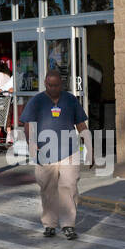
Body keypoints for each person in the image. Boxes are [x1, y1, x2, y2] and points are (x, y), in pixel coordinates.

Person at [19, 71, 88, 239]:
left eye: (56, 85)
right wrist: (32, 145)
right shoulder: (37, 101)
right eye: (50, 85)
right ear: (45, 83)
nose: (53, 88)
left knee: (69, 187)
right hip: (45, 152)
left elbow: (80, 124)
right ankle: (49, 224)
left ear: (61, 85)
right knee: (48, 189)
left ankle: (68, 225)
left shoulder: (70, 100)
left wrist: (90, 149)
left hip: (69, 151)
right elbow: (28, 125)